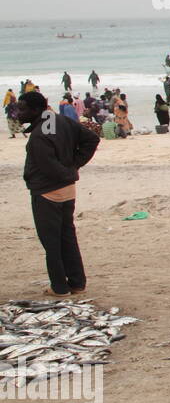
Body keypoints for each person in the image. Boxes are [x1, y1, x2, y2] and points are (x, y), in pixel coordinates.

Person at [16, 92, 100, 297]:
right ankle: (77, 283)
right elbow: (91, 138)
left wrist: (70, 170)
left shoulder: (38, 136)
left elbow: (49, 166)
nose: (18, 113)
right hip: (67, 190)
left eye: (23, 109)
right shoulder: (58, 120)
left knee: (51, 242)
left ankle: (60, 288)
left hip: (47, 193)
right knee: (67, 237)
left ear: (36, 110)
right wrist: (73, 167)